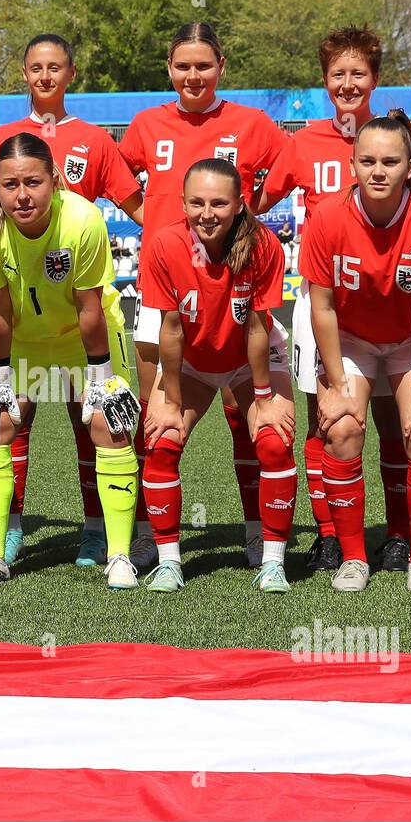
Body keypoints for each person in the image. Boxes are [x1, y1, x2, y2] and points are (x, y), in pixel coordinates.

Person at [255, 26, 411, 576]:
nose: (348, 83)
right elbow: (257, 200)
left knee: (394, 421)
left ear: (375, 79)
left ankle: (404, 536)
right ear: (324, 82)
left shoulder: (406, 140)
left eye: (358, 73)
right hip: (327, 297)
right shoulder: (304, 142)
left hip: (394, 295)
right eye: (338, 74)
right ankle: (332, 536)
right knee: (329, 419)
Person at [0, 33, 145, 568]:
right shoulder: (1, 141)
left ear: (71, 73)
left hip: (78, 310)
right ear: (24, 74)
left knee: (94, 420)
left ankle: (100, 535)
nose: (45, 76)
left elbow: (137, 205)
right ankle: (7, 535)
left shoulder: (92, 144)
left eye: (55, 67)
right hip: (21, 320)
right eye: (35, 67)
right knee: (2, 417)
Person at [119, 22, 287, 572]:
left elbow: (280, 174)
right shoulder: (146, 125)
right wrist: (156, 224)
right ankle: (151, 538)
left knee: (249, 421)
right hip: (166, 289)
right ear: (169, 69)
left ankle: (258, 533)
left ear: (221, 68)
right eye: (183, 66)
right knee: (159, 417)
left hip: (231, 285)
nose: (193, 76)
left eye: (204, 66)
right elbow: (120, 179)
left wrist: (248, 217)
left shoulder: (252, 124)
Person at [302, 112, 411, 593]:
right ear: (352, 164)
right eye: (367, 160)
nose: (378, 170)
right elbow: (322, 307)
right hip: (350, 338)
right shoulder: (326, 217)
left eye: (390, 161)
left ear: (410, 166)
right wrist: (334, 383)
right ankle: (353, 558)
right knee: (343, 426)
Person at [141, 158, 297, 593]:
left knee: (272, 440)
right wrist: (171, 400)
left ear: (239, 204)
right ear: (182, 202)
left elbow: (258, 326)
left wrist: (263, 396)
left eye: (218, 203)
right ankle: (170, 560)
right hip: (191, 361)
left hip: (250, 359)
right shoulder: (164, 244)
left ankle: (272, 559)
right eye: (196, 202)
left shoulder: (264, 245)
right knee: (161, 440)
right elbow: (170, 329)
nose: (206, 213)